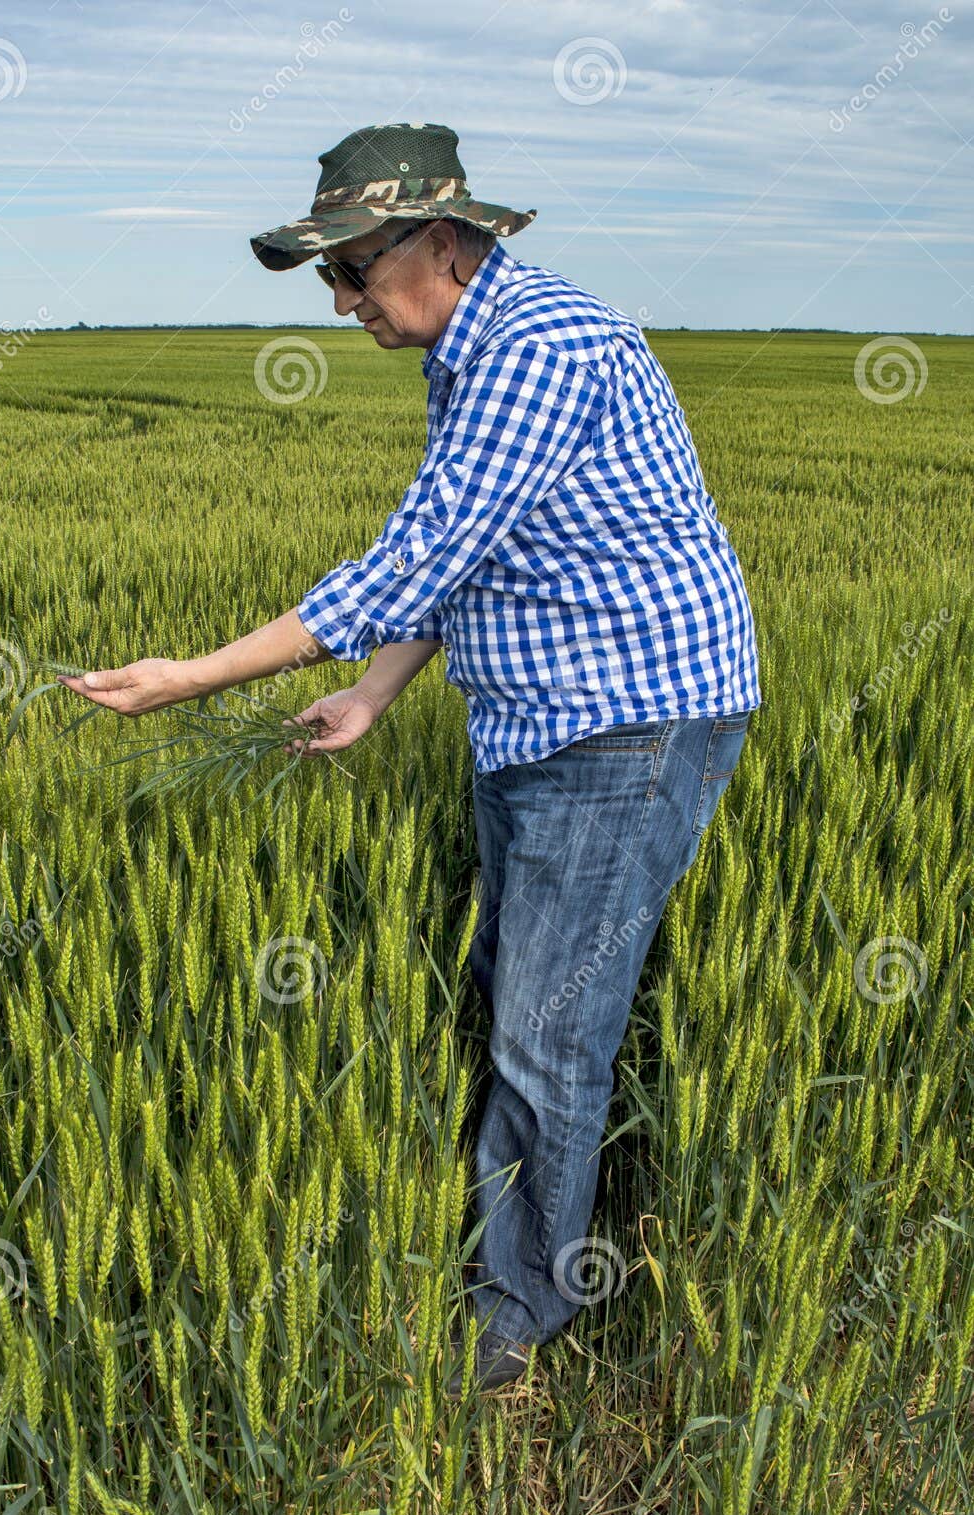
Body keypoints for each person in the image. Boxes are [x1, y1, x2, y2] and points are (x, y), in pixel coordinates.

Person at [58, 121, 762, 1397]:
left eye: (354, 270)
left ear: (442, 242)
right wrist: (378, 691)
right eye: (330, 277)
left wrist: (191, 675)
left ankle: (514, 1324)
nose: (341, 303)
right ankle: (509, 1233)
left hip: (628, 720)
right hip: (540, 713)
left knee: (548, 1030)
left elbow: (413, 558)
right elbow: (477, 551)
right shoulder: (468, 346)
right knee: (512, 985)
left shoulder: (541, 347)